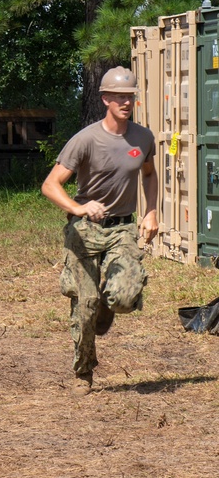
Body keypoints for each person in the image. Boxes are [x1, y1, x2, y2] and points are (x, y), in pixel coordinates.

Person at [41, 66, 159, 396]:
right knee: (85, 304)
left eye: (130, 97)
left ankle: (110, 303)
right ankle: (84, 372)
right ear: (105, 98)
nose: (125, 102)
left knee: (122, 297)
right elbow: (50, 185)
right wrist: (78, 208)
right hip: (85, 229)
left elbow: (149, 174)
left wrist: (150, 212)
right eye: (119, 97)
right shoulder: (85, 140)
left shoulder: (143, 138)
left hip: (122, 227)